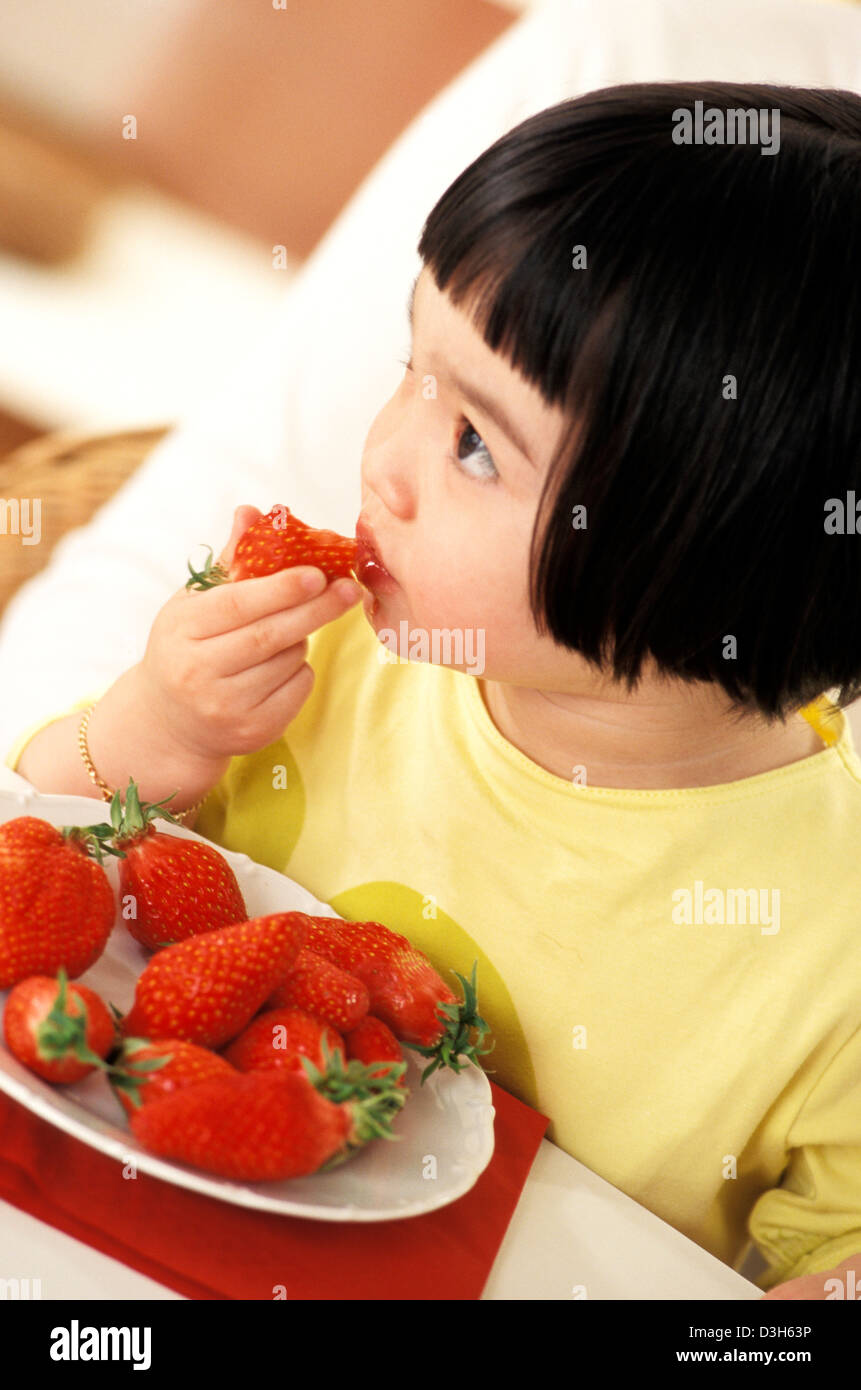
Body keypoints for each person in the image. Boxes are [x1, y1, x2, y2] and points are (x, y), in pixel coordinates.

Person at [7, 81, 861, 1298]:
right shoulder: (325, 658)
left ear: (705, 564)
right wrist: (160, 721)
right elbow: (42, 848)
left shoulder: (832, 946)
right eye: (412, 366)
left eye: (474, 444)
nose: (384, 461)